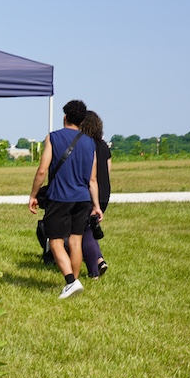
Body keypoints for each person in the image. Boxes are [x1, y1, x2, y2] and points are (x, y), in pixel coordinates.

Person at [29, 99, 103, 299]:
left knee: (55, 242)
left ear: (65, 117)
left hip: (60, 197)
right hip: (83, 198)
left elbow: (42, 169)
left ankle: (71, 281)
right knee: (75, 241)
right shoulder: (90, 143)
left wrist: (33, 195)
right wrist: (96, 206)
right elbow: (93, 179)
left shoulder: (53, 138)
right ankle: (74, 285)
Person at [80, 110, 112, 278]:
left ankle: (95, 268)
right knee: (91, 229)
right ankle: (98, 260)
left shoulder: (84, 145)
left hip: (89, 192)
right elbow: (108, 170)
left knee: (84, 230)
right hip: (105, 193)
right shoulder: (104, 145)